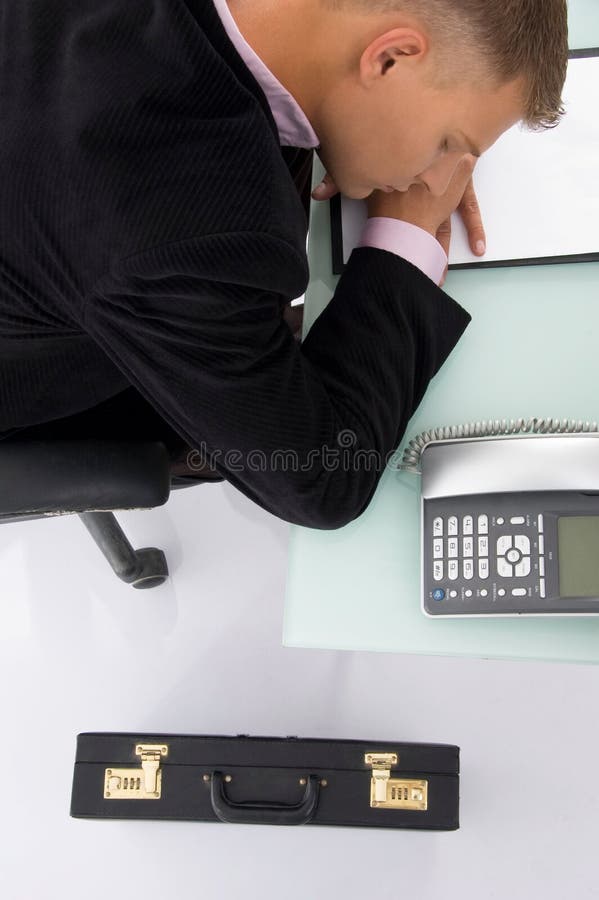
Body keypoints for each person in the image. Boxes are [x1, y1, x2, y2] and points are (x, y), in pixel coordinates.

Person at [0, 0, 568, 527]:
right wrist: (407, 227)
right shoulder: (189, 234)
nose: (444, 178)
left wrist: (382, 139)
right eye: (449, 144)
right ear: (390, 57)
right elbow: (322, 480)